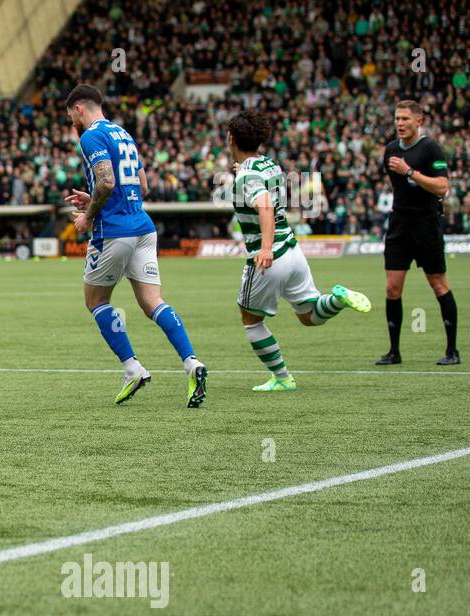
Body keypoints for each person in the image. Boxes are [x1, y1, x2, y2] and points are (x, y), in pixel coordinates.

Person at [62, 84, 207, 407]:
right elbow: (140, 185)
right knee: (152, 302)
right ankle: (191, 363)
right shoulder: (123, 134)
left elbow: (108, 181)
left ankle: (133, 368)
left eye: (71, 114)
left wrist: (88, 213)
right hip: (142, 226)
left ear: (79, 109)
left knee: (95, 301)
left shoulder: (91, 136)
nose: (72, 121)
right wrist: (98, 198)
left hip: (113, 232)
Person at [227, 110, 371, 391]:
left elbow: (265, 205)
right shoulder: (268, 164)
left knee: (250, 320)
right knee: (308, 315)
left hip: (270, 257)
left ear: (231, 138)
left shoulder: (247, 175)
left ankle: (282, 378)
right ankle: (338, 300)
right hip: (293, 251)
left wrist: (266, 249)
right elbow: (261, 185)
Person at [377, 100, 457, 365]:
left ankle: (451, 352)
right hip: (399, 223)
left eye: (405, 119)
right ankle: (393, 352)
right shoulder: (389, 150)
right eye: (397, 118)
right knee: (392, 288)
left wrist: (411, 172)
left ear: (419, 122)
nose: (399, 123)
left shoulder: (431, 149)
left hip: (426, 224)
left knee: (438, 284)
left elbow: (442, 187)